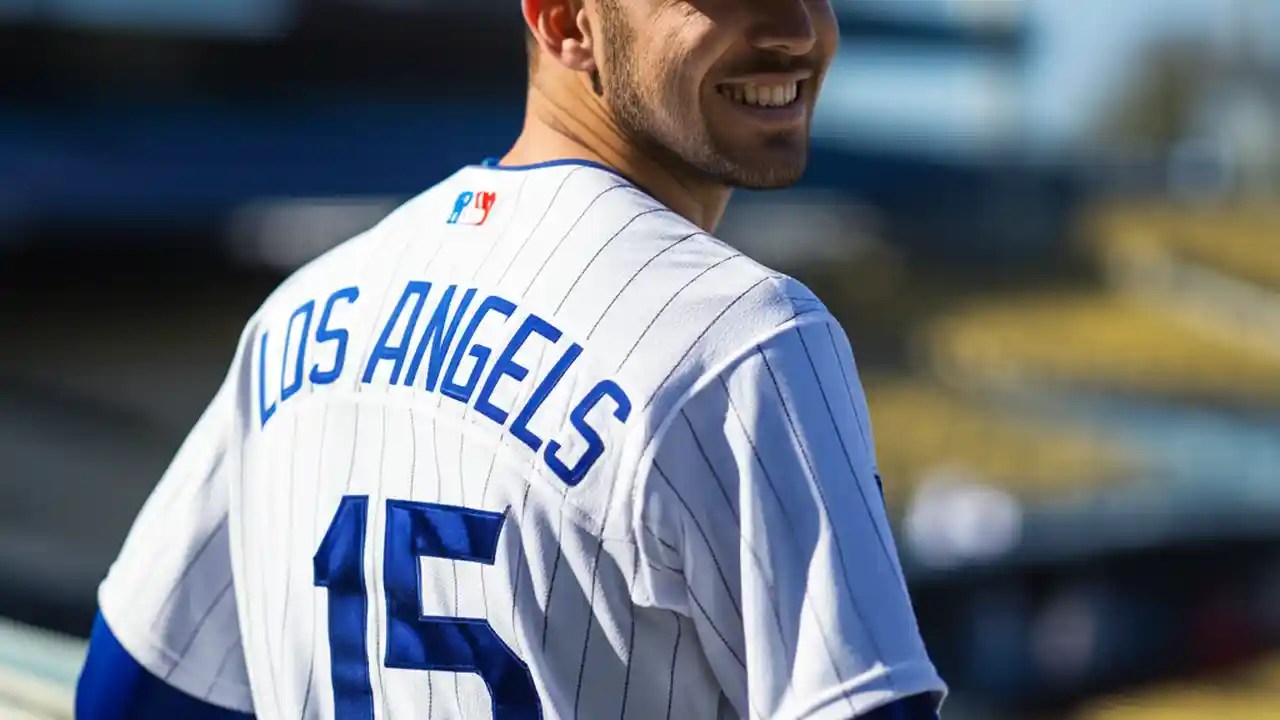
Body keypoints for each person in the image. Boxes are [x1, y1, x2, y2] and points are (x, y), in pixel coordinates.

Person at [76, 0, 947, 717]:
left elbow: (132, 693)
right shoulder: (746, 336)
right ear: (565, 21)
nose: (797, 26)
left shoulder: (297, 314)